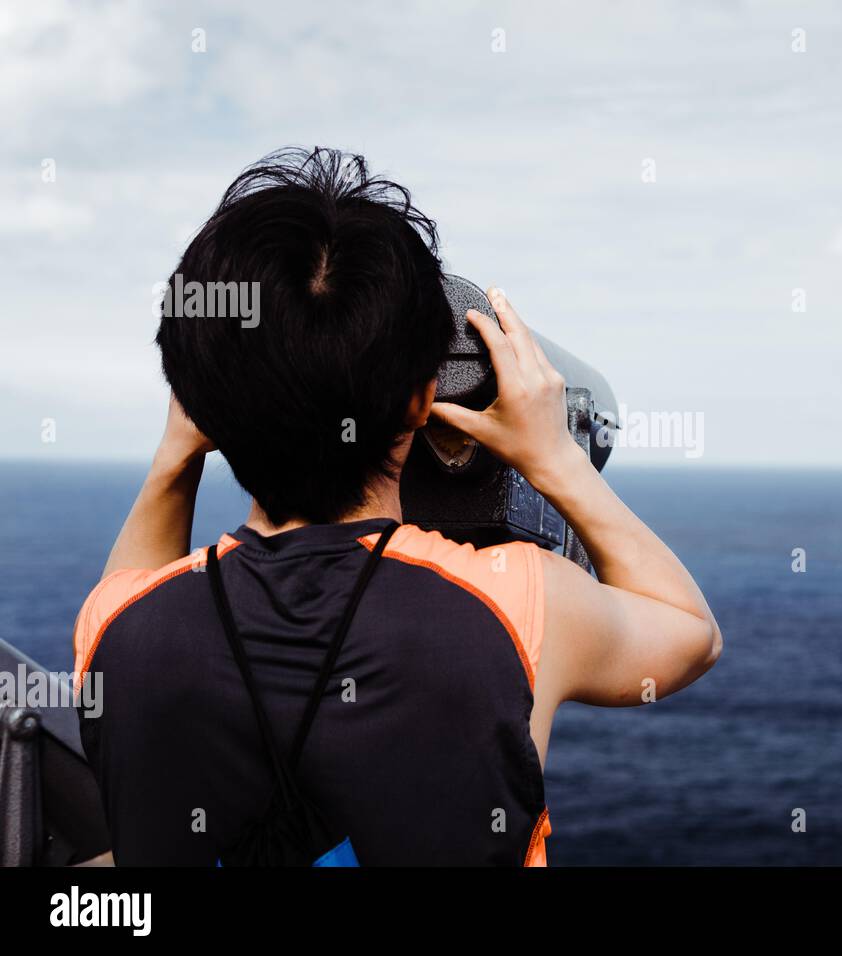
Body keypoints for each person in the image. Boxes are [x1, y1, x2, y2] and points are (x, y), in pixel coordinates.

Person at [72, 147, 722, 866]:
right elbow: (690, 635)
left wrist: (179, 452)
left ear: (199, 404)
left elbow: (128, 592)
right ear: (421, 397)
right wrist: (556, 458)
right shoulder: (520, 607)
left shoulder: (115, 633)